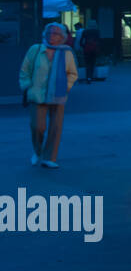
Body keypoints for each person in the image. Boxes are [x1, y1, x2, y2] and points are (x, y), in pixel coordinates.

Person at [18, 23, 80, 169]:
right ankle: (37, 151)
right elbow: (24, 70)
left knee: (55, 127)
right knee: (37, 126)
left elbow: (73, 73)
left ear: (62, 37)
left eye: (56, 34)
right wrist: (27, 86)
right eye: (49, 33)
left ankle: (50, 157)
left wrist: (66, 87)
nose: (52, 36)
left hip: (58, 95)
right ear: (44, 34)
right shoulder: (36, 49)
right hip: (37, 93)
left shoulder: (67, 53)